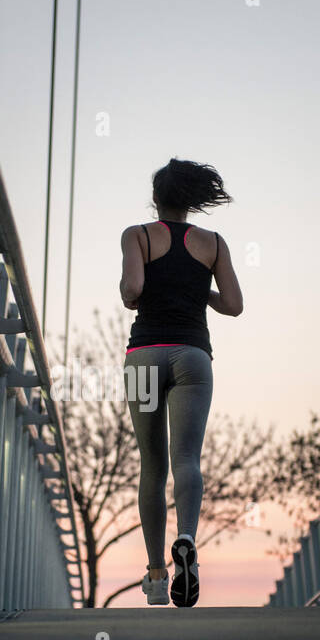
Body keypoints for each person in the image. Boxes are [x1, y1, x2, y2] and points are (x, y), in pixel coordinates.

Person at [120, 157, 243, 607]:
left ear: (155, 200)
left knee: (152, 467)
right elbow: (233, 305)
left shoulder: (137, 235)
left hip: (144, 356)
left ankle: (156, 574)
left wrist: (136, 287)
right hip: (193, 357)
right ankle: (186, 538)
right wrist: (196, 289)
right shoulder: (213, 243)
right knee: (186, 459)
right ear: (192, 201)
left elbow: (133, 290)